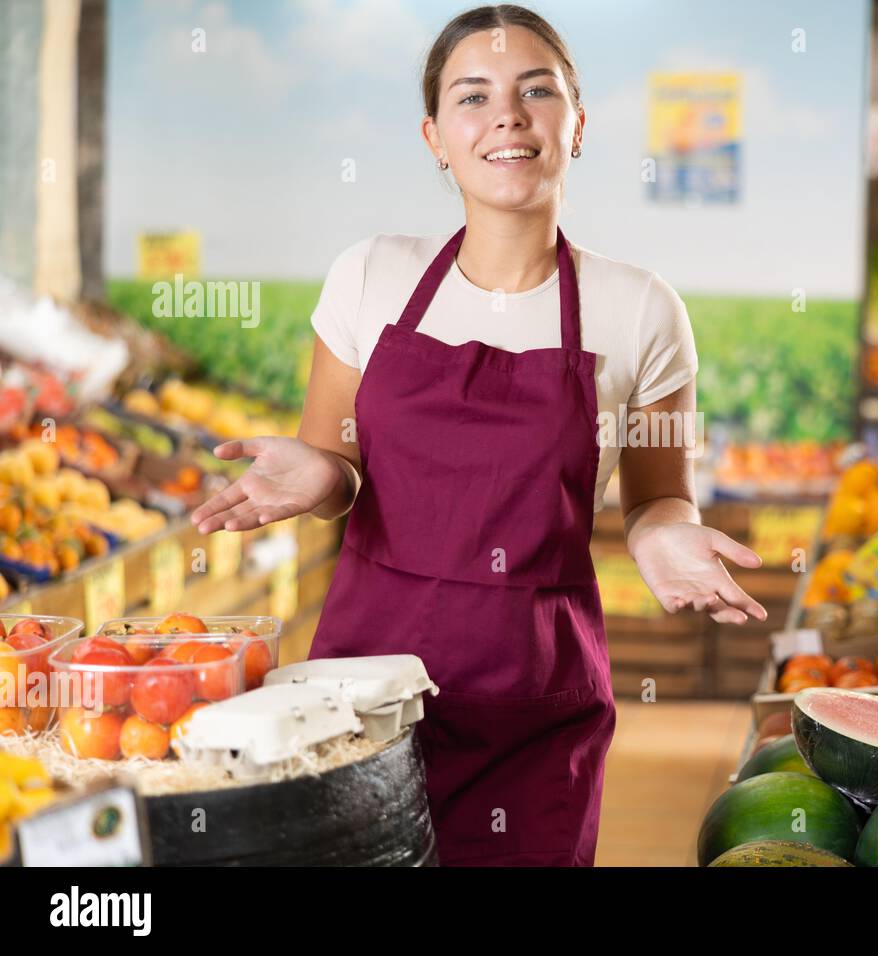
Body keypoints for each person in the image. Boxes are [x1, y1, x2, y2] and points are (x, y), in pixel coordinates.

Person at [190, 3, 766, 866]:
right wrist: (319, 476)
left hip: (534, 709)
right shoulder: (370, 275)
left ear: (577, 125)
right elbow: (338, 467)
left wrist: (663, 536)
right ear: (435, 136)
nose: (508, 115)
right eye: (473, 96)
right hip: (361, 701)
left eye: (538, 90)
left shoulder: (643, 308)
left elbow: (658, 495)